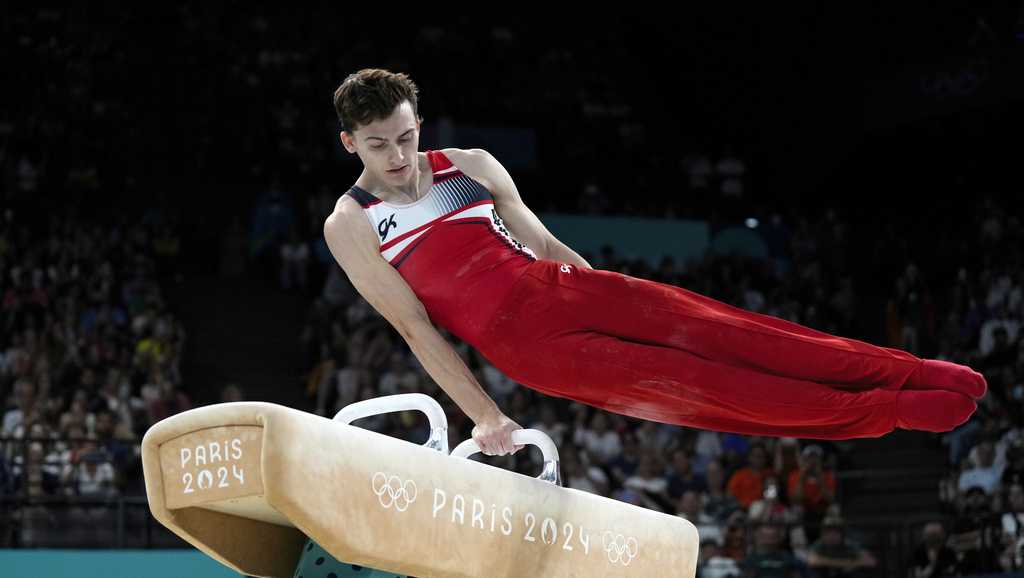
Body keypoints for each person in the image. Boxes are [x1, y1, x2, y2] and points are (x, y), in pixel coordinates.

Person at [323, 68, 987, 457]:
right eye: (379, 145)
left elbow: (545, 246)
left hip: (561, 286)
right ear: (351, 143)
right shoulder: (352, 223)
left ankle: (908, 370)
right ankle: (888, 410)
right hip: (528, 346)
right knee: (705, 385)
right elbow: (415, 328)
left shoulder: (468, 165)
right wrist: (485, 414)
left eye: (406, 136)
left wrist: (603, 290)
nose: (398, 156)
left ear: (419, 121)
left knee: (731, 331)